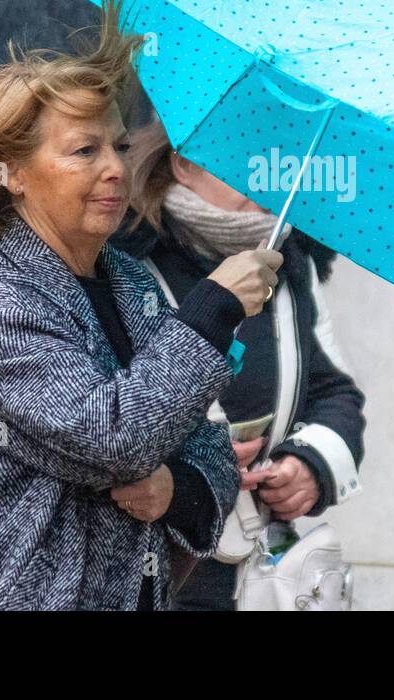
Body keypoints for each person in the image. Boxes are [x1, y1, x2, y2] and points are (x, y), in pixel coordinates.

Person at [0, 0, 284, 609]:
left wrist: (174, 489)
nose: (117, 169)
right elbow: (114, 436)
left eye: (121, 146)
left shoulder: (129, 284)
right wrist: (211, 309)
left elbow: (205, 441)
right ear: (12, 173)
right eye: (84, 151)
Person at [110, 119, 366, 610]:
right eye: (246, 164)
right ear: (184, 166)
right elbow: (102, 414)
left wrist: (308, 467)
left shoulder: (292, 266)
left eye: (274, 166)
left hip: (259, 568)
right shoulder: (125, 262)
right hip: (152, 563)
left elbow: (335, 393)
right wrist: (199, 460)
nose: (266, 181)